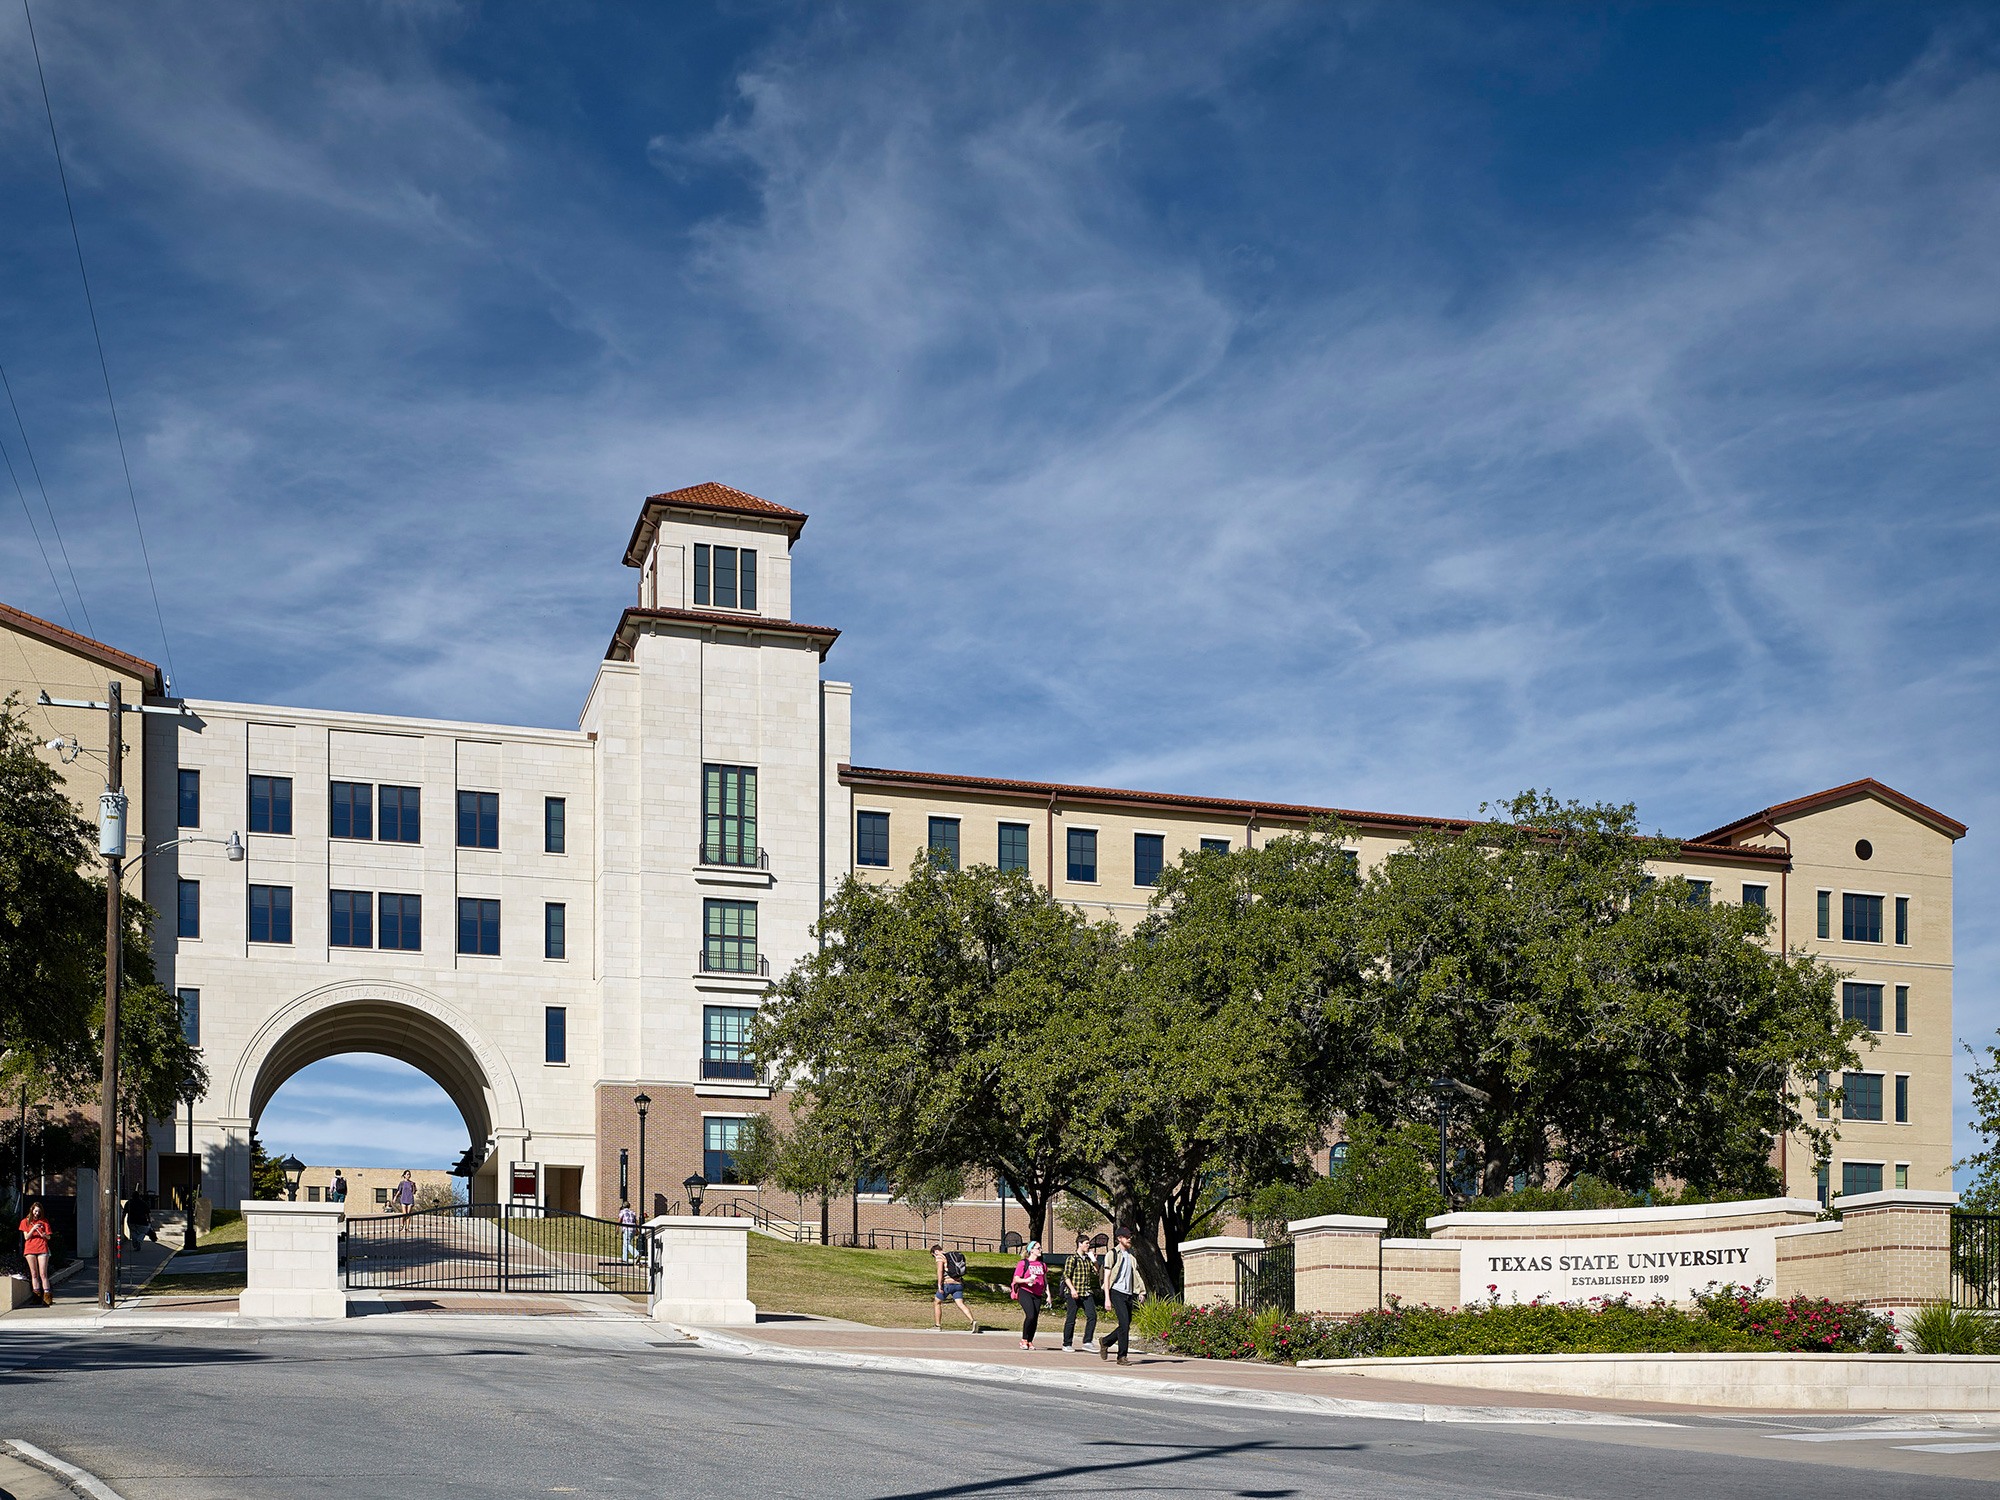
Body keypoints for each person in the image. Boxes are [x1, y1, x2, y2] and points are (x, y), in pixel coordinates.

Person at [1099, 1227, 1140, 1365]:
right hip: (1116, 1292)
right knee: (1124, 1324)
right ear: (1119, 1238)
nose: (1129, 1239)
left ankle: (1105, 1341)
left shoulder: (1131, 1256)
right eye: (1126, 1237)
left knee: (1125, 1325)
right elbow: (1107, 1277)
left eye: (1130, 1236)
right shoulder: (1112, 1254)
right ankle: (1121, 1357)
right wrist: (1107, 1298)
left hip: (1128, 1294)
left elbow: (1136, 1276)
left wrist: (1141, 1291)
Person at [1059, 1231, 1099, 1351]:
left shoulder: (1088, 1259)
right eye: (1086, 1243)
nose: (1088, 1246)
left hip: (1086, 1291)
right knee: (1071, 1318)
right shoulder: (1072, 1259)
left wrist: (1095, 1261)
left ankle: (1087, 1341)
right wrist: (1072, 1290)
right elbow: (1066, 1275)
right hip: (1074, 1292)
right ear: (1080, 1244)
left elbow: (1096, 1272)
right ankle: (1067, 1343)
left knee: (1092, 1316)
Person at [931, 1244, 980, 1331]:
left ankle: (937, 1325)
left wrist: (939, 1285)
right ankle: (973, 1321)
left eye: (933, 1255)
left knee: (937, 1302)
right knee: (960, 1304)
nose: (934, 1257)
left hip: (947, 1284)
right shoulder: (953, 1256)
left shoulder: (940, 1257)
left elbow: (940, 1271)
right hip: (958, 1284)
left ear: (936, 1251)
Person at [1010, 1239, 1048, 1349]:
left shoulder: (1042, 1265)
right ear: (1031, 1250)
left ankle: (1030, 1341)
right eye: (1038, 1248)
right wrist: (1026, 1280)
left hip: (1038, 1294)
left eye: (1040, 1248)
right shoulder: (1023, 1263)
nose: (1040, 1250)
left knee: (1035, 1318)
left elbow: (1045, 1280)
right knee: (1030, 1315)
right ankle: (1024, 1340)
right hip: (1025, 1292)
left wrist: (1048, 1294)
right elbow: (1016, 1279)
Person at [18, 1199, 54, 1307]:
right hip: (30, 1249)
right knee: (34, 1274)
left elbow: (49, 1236)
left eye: (38, 1211)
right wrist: (33, 1228)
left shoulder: (44, 1221)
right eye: (35, 1211)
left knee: (43, 1273)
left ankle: (47, 1296)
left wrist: (44, 1235)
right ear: (31, 1210)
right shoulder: (25, 1221)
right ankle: (36, 1296)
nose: (37, 1213)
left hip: (42, 1248)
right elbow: (26, 1237)